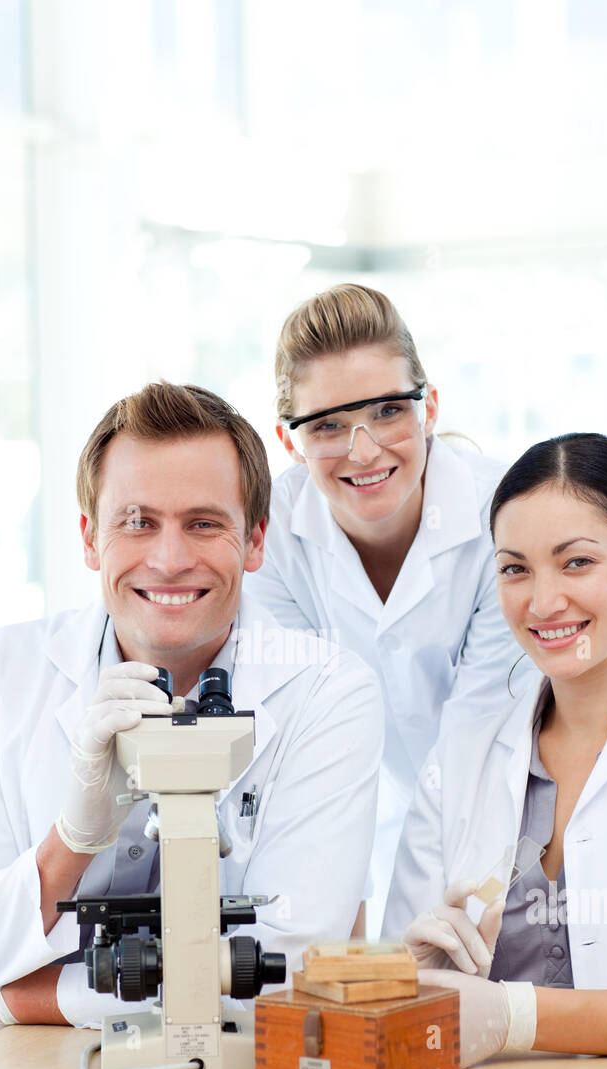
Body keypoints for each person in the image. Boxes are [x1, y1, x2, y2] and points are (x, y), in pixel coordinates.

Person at [0, 383, 383, 1055]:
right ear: (90, 539)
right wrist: (73, 838)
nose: (170, 559)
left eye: (205, 523)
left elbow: (293, 971)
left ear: (255, 541)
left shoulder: (328, 693)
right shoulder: (3, 676)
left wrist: (22, 999)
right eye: (137, 521)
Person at [383, 432, 607, 1067]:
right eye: (515, 568)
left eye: (577, 562)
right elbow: (400, 1003)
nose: (542, 602)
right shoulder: (459, 761)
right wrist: (408, 977)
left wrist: (516, 1015)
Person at [244, 283, 528, 926]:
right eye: (328, 426)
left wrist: (404, 949)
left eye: (387, 412)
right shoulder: (270, 540)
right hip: (356, 822)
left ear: (428, 406)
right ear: (291, 441)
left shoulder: (503, 518)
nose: (363, 449)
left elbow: (474, 740)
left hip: (501, 809)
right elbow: (306, 741)